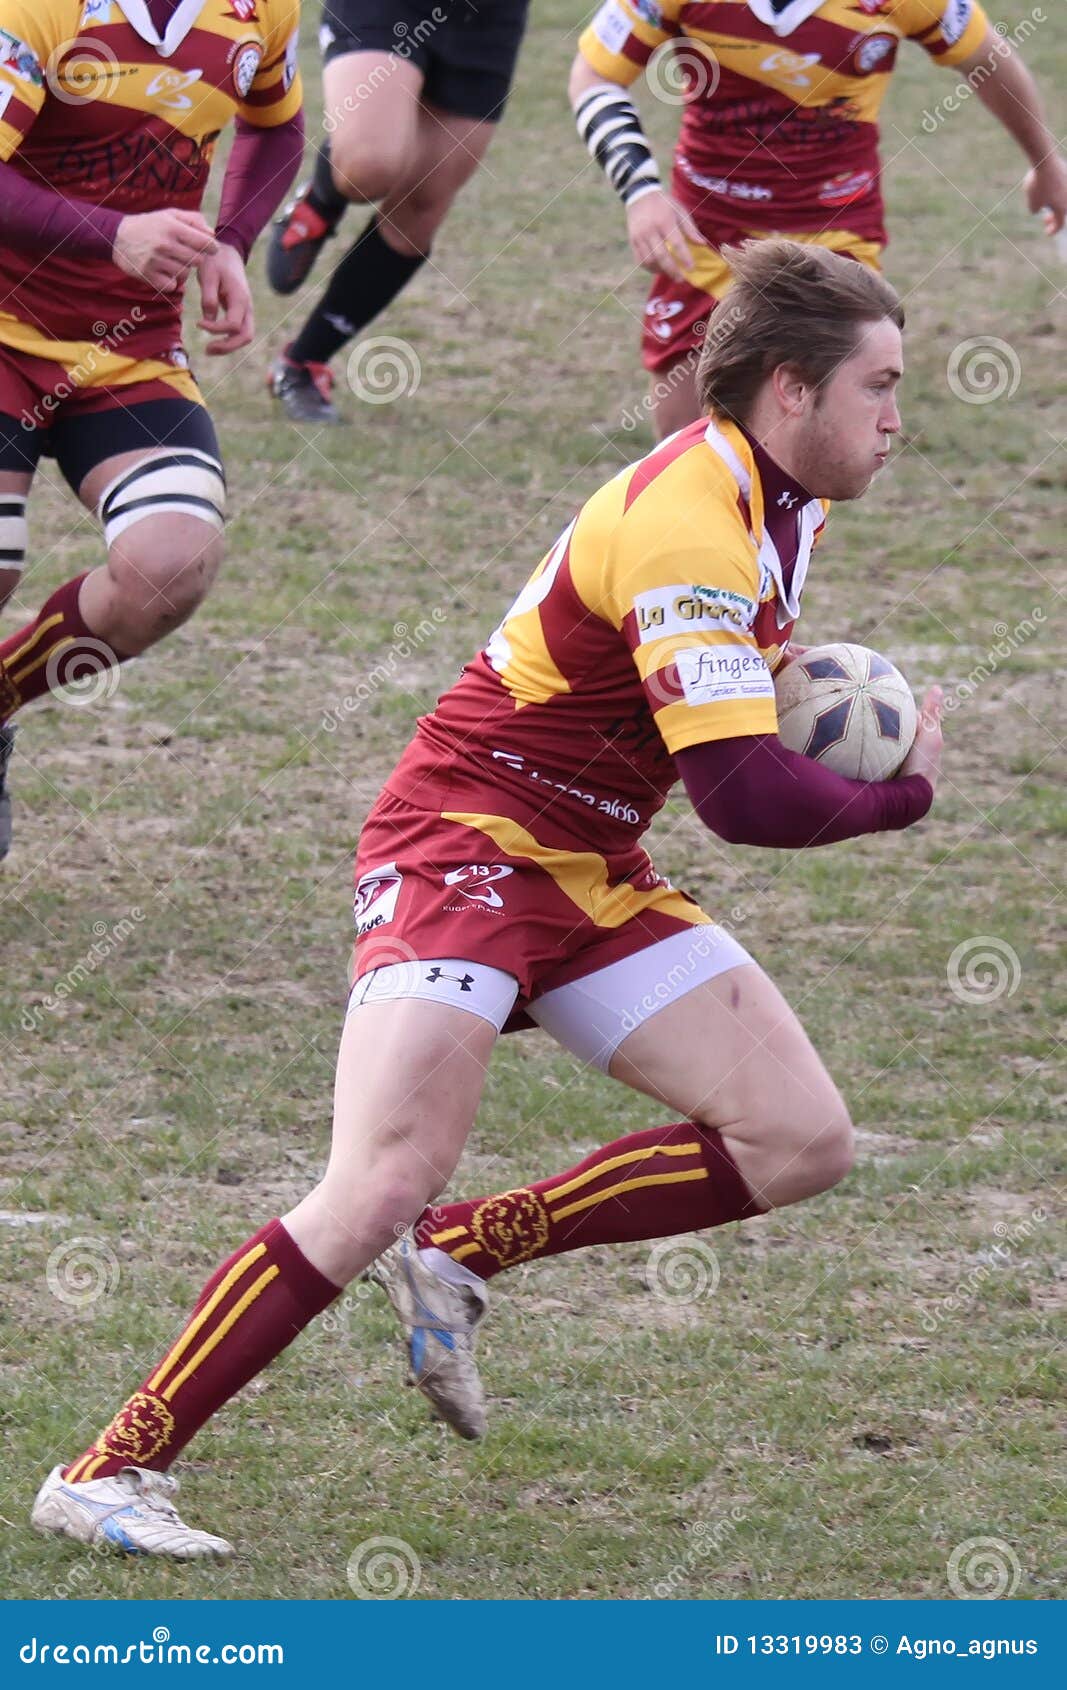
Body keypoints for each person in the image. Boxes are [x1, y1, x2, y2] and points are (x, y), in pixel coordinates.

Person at [32, 241, 943, 1556]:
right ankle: (107, 1468)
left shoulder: (776, 500)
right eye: (880, 386)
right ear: (790, 391)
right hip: (463, 842)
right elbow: (742, 797)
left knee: (799, 1136)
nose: (897, 418)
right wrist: (898, 793)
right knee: (377, 1175)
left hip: (585, 864)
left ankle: (465, 1250)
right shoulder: (692, 517)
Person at [0, 0, 306, 857]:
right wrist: (116, 233)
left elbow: (277, 128)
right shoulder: (42, 10)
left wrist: (231, 242)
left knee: (168, 570)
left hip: (128, 351)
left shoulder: (257, 10)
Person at [569, 0, 1067, 438]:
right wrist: (641, 191)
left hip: (836, 240)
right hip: (707, 237)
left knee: (813, 446)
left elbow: (988, 57)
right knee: (683, 443)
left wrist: (1047, 162)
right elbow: (593, 75)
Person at [265, 0, 531, 424]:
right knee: (370, 166)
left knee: (424, 205)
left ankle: (302, 364)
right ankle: (323, 197)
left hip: (488, 16)